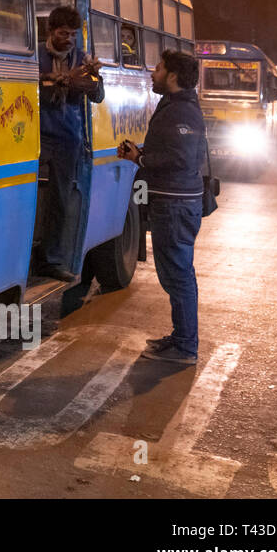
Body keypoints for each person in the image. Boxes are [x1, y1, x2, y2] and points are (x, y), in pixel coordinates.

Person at [118, 49, 206, 365]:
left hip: (176, 204)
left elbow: (180, 158)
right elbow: (174, 150)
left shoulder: (182, 111)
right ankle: (182, 338)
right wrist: (141, 152)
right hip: (173, 202)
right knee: (175, 274)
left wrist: (139, 159)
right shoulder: (175, 106)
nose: (152, 74)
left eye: (157, 68)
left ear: (172, 76)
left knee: (178, 275)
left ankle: (185, 347)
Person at [36, 5, 104, 282]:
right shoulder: (35, 54)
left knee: (61, 201)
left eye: (73, 34)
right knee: (24, 197)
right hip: (37, 136)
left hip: (68, 139)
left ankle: (52, 261)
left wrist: (93, 77)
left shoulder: (81, 59)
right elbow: (28, 84)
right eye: (64, 33)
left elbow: (98, 96)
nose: (70, 39)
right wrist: (62, 79)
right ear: (51, 31)